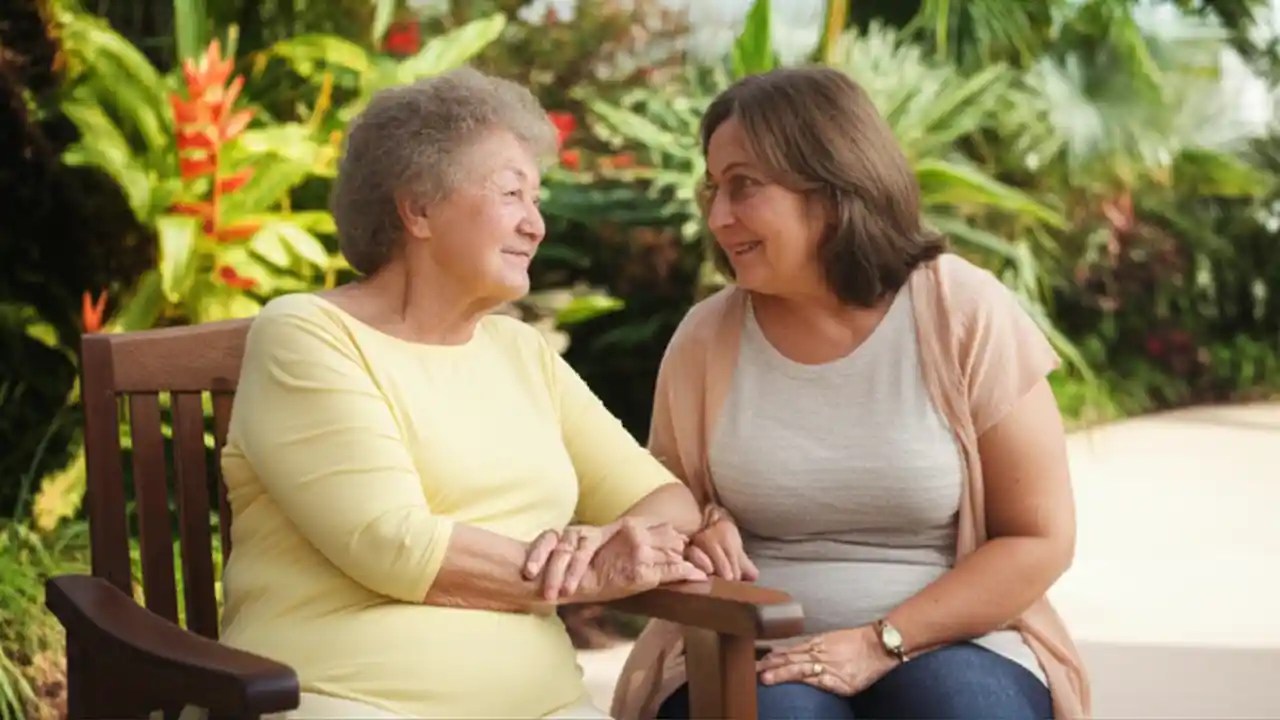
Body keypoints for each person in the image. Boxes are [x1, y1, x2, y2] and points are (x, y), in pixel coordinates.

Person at [216, 68, 708, 720]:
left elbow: (667, 502)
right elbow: (391, 543)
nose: (535, 225)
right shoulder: (308, 334)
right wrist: (593, 572)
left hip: (544, 705)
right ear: (417, 207)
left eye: (536, 200)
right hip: (343, 697)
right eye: (511, 194)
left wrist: (616, 539)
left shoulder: (522, 353)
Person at [610, 67, 1091, 719]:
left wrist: (880, 642)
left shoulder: (962, 311)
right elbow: (662, 504)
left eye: (745, 186)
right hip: (758, 649)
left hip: (957, 640)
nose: (719, 216)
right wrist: (697, 530)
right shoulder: (707, 339)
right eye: (714, 188)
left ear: (834, 185)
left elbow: (1039, 538)